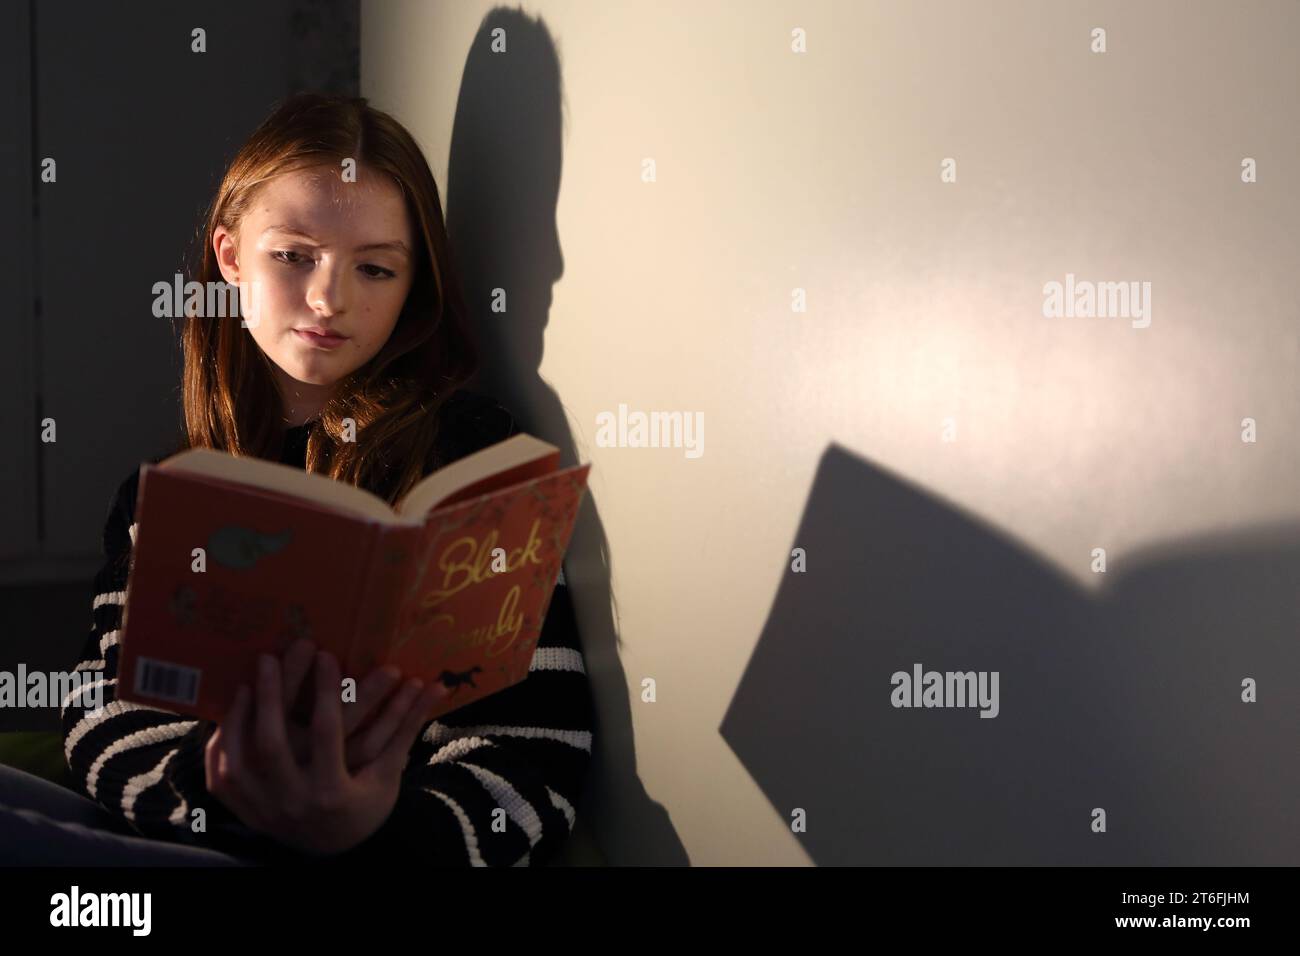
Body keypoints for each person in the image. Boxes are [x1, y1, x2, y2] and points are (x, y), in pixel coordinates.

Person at [8, 92, 593, 866]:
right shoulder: (171, 489)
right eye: (292, 256)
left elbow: (536, 751)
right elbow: (103, 707)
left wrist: (373, 830)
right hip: (203, 825)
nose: (329, 298)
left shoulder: (469, 461)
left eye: (376, 268)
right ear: (228, 257)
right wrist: (215, 789)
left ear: (413, 286)